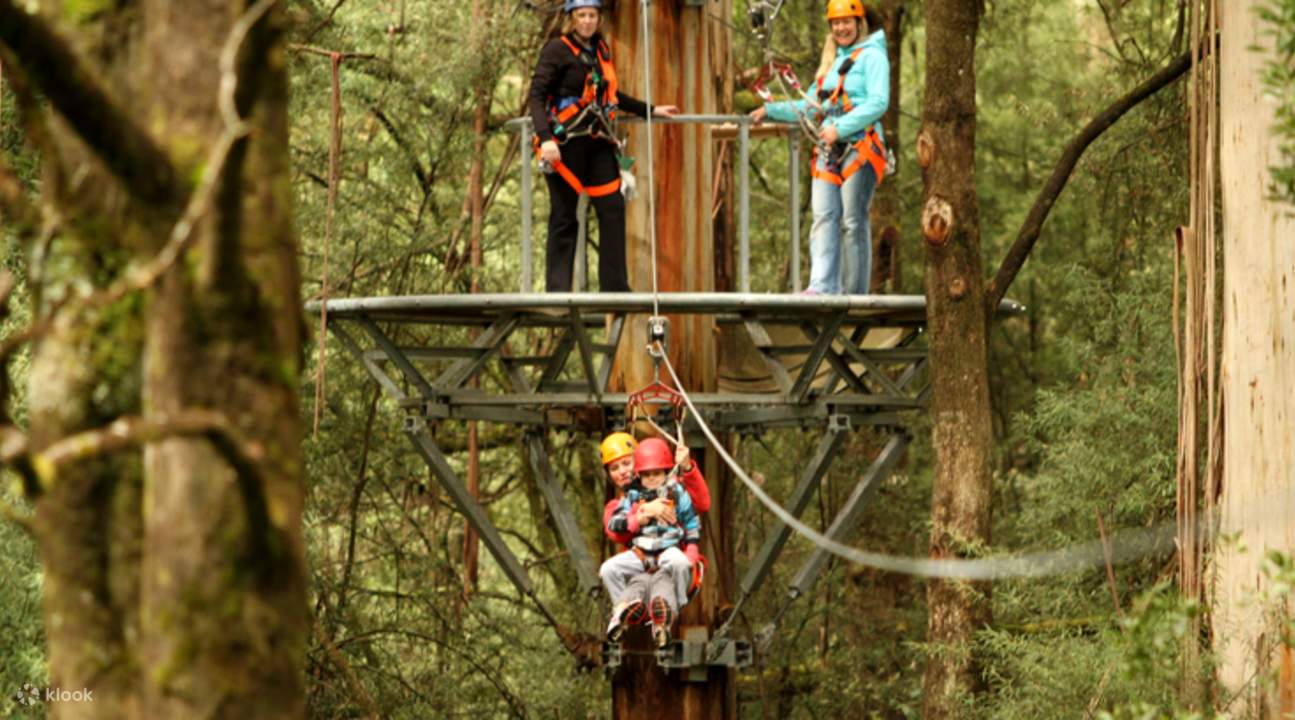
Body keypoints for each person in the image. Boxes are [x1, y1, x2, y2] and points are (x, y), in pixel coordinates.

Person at [529, 0, 679, 292]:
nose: (587, 21)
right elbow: (536, 95)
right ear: (572, 18)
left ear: (599, 19)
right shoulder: (557, 50)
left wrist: (649, 109)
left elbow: (610, 95)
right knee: (564, 216)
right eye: (582, 15)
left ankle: (615, 287)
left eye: (592, 16)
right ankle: (557, 292)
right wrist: (545, 137)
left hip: (597, 143)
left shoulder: (599, 51)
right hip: (564, 145)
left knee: (612, 208)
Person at [749, 0, 889, 295]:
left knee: (853, 221)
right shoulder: (832, 64)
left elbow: (878, 102)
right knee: (824, 216)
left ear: (859, 23)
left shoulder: (873, 56)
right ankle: (822, 286)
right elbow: (810, 107)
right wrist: (771, 109)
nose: (841, 28)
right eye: (836, 24)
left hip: (860, 145)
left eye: (846, 22)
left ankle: (854, 295)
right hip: (830, 149)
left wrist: (840, 127)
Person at [600, 437, 708, 648]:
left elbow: (701, 504)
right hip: (640, 567)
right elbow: (615, 531)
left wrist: (687, 467)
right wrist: (644, 512)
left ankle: (665, 616)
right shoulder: (620, 503)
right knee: (611, 571)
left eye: (626, 463)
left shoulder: (674, 490)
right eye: (614, 468)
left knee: (669, 577)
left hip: (671, 564)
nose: (622, 471)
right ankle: (624, 611)